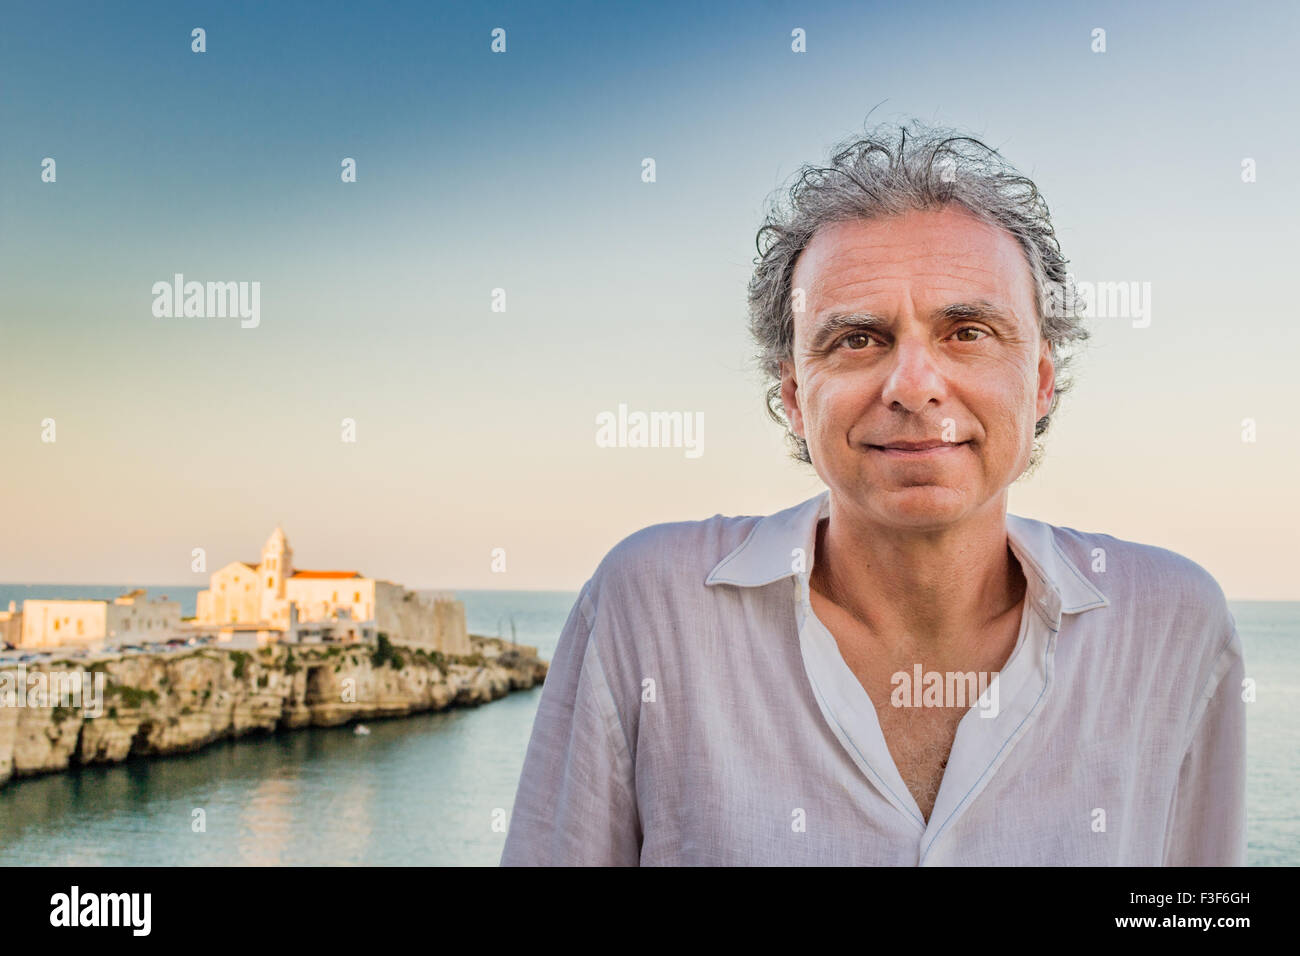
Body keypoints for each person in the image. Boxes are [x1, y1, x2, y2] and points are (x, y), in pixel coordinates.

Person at [500, 120, 1246, 866]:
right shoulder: (650, 606)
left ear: (1042, 380)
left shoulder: (1172, 627)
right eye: (858, 339)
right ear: (794, 396)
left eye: (968, 331)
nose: (914, 386)